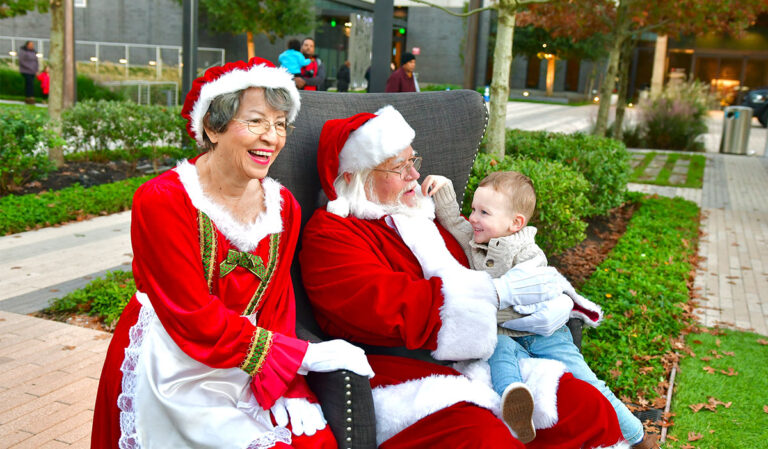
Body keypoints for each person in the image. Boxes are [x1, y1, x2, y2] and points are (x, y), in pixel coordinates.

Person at [300, 105, 629, 449]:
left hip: (488, 361)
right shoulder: (331, 233)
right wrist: (496, 294)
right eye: (400, 168)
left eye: (414, 161)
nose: (414, 175)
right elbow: (381, 303)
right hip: (405, 371)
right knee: (485, 439)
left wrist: (552, 299)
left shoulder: (423, 213)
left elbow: (498, 254)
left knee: (586, 408)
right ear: (355, 176)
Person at [91, 57, 374, 449]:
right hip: (173, 366)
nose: (271, 138)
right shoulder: (163, 201)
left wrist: (290, 385)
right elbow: (190, 314)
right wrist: (302, 356)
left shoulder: (283, 206)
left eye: (279, 124)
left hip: (247, 362)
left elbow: (276, 302)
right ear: (212, 126)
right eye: (256, 121)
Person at [424, 170, 658, 449]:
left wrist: (483, 310)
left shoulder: (529, 254)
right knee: (499, 358)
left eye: (483, 212)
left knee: (586, 378)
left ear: (515, 222)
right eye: (473, 209)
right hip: (503, 334)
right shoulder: (476, 240)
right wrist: (444, 187)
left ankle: (637, 437)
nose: (473, 218)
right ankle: (515, 405)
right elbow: (453, 221)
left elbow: (528, 298)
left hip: (545, 333)